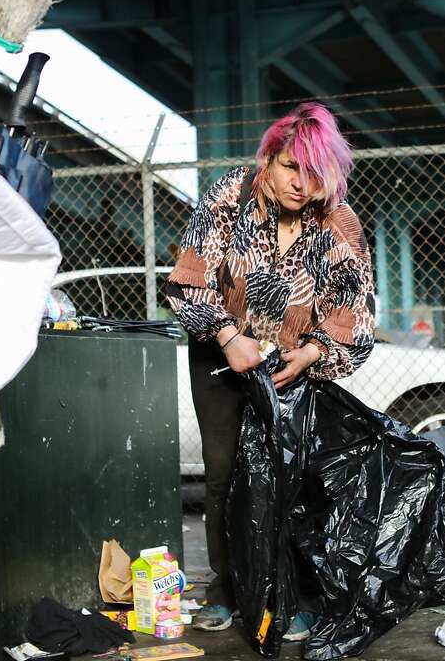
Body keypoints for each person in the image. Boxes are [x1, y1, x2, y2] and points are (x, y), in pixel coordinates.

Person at [163, 102, 376, 639]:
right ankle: (228, 588)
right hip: (222, 353)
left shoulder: (339, 220)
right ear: (268, 159)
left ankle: (293, 592)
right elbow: (188, 281)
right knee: (223, 473)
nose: (300, 185)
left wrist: (313, 352)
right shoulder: (229, 195)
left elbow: (356, 316)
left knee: (295, 479)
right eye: (289, 168)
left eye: (313, 174)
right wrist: (227, 336)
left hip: (293, 364)